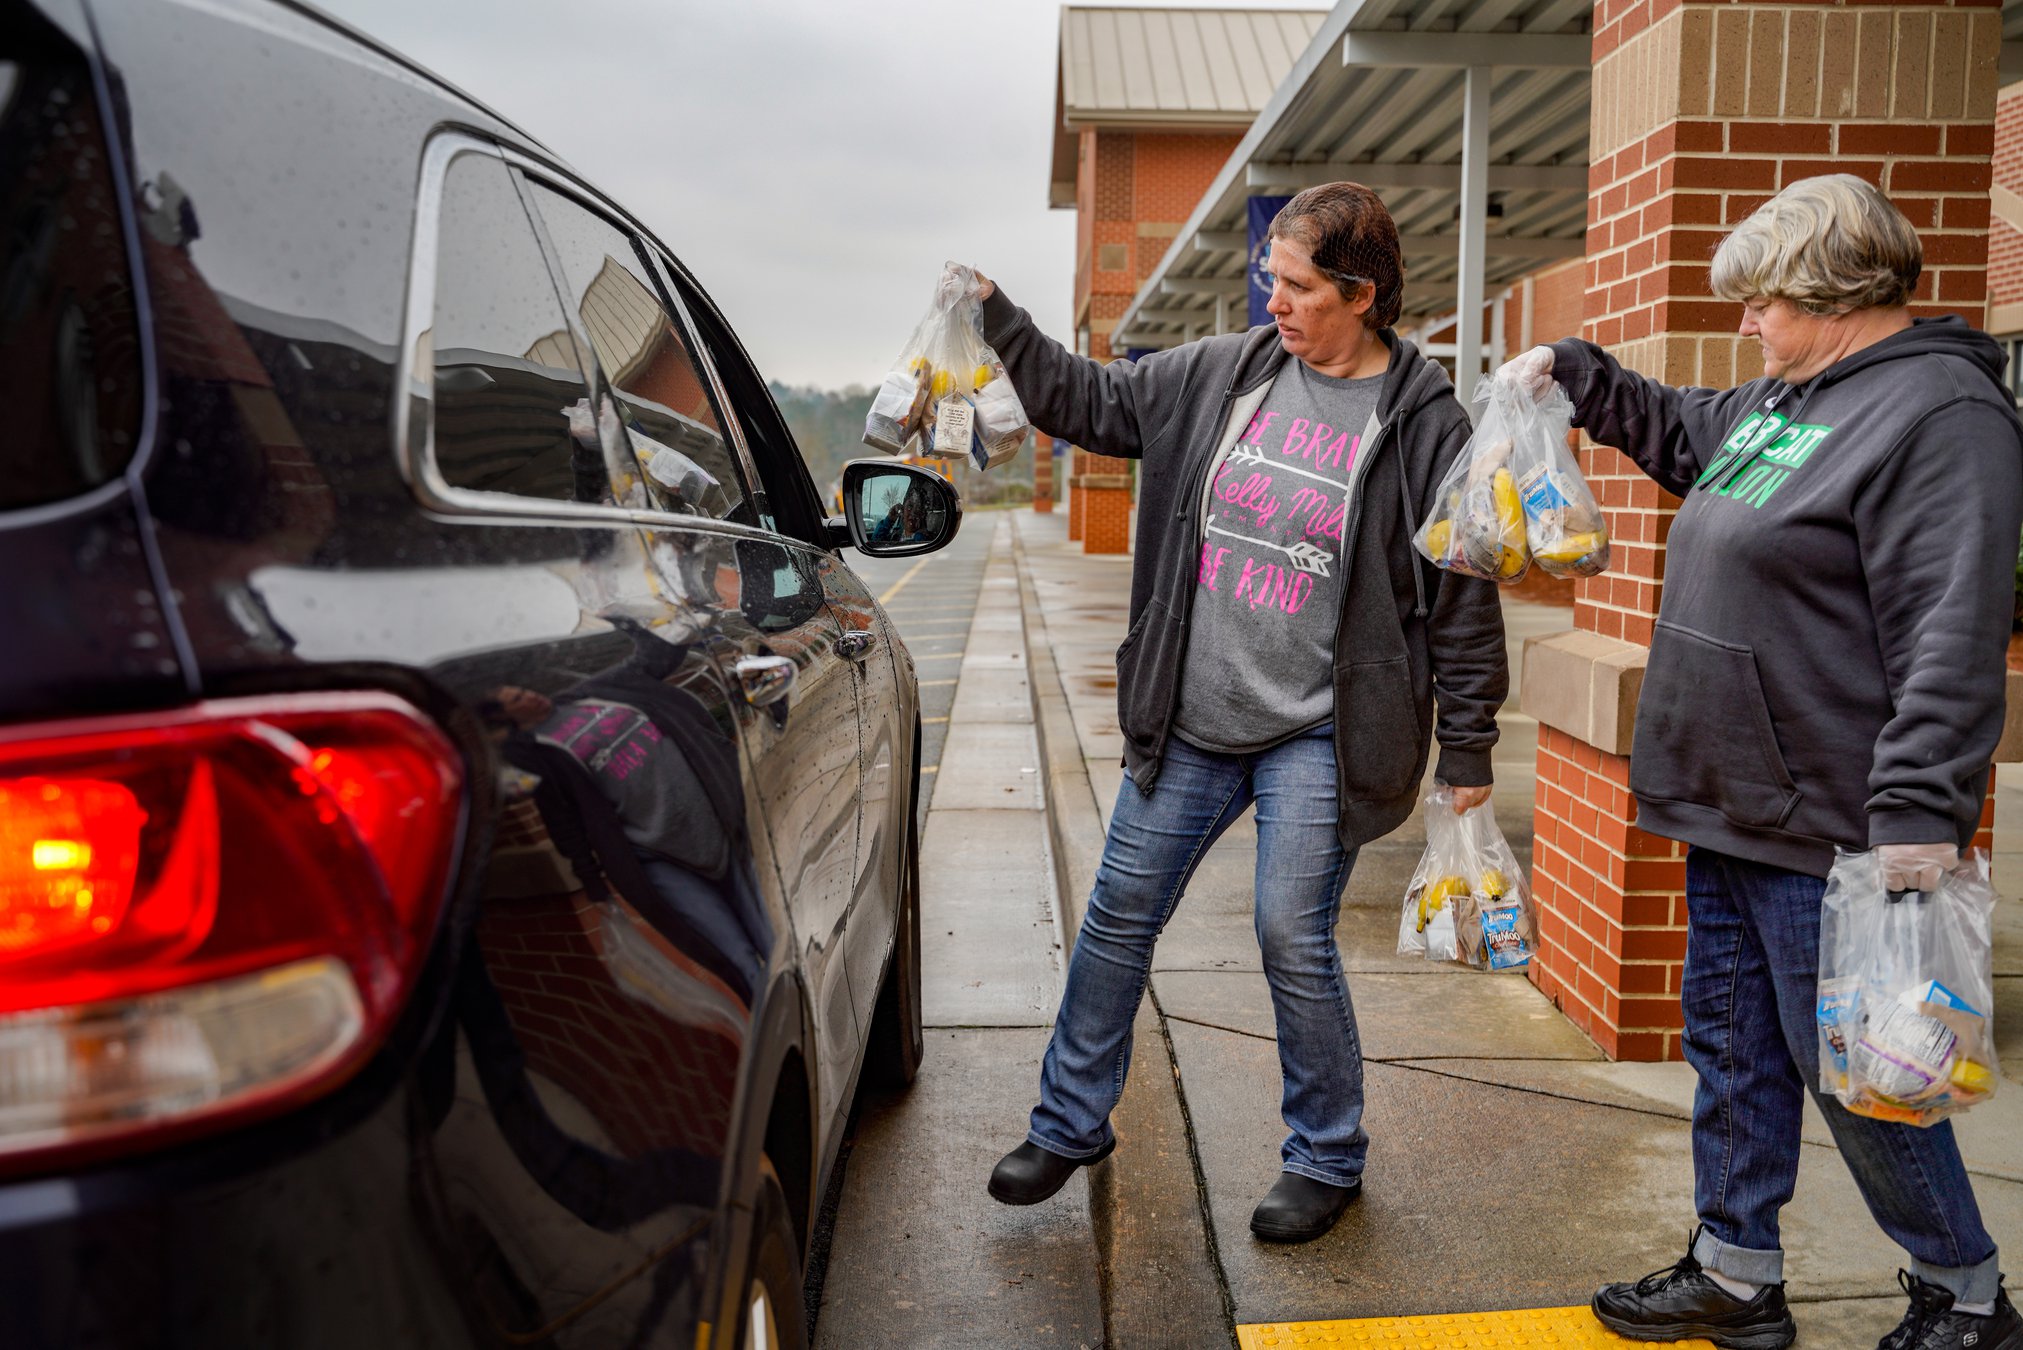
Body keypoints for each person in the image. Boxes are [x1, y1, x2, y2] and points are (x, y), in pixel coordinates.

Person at [1498, 174, 2022, 1350]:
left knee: (1867, 1076)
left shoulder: (1936, 416)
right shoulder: (1796, 397)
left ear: (1831, 291)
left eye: (1761, 301)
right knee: (1734, 1052)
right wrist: (1579, 374)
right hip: (1730, 798)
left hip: (1835, 821)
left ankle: (1969, 1296)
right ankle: (1736, 1274)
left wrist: (1918, 808)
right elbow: (1686, 434)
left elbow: (1952, 625)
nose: (1745, 322)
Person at [971, 183, 1508, 1243]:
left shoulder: (1424, 422)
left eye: (1299, 287)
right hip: (1193, 713)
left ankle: (1325, 1154)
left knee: (1287, 932)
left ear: (1361, 294)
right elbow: (1084, 401)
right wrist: (997, 316)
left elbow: (1463, 585)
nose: (1278, 303)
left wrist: (1470, 741)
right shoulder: (1221, 372)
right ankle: (1070, 1121)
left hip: (1320, 728)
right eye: (1272, 280)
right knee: (1117, 918)